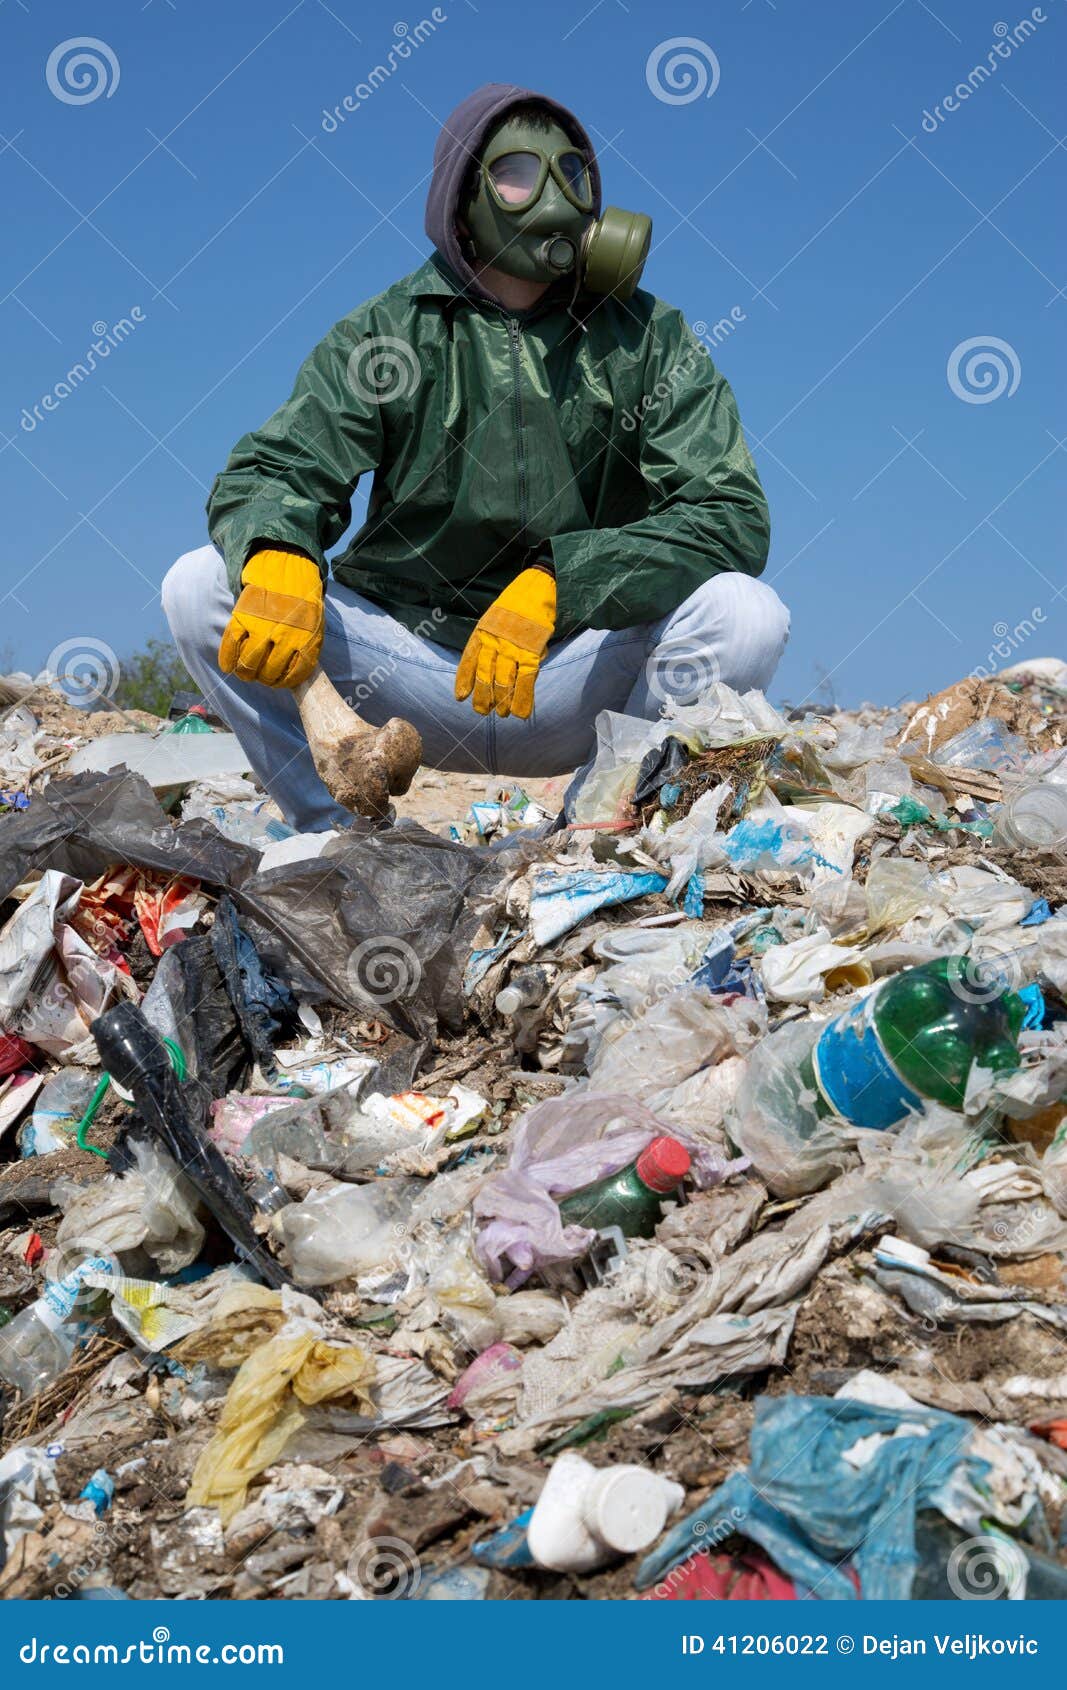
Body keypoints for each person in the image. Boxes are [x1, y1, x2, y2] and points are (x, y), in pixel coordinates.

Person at [163, 83, 789, 832]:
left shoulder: (647, 339)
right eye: (519, 172)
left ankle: (598, 828)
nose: (555, 197)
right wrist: (277, 547)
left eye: (573, 174)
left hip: (570, 677)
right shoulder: (387, 333)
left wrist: (562, 581)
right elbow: (281, 467)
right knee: (203, 585)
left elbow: (728, 516)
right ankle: (340, 837)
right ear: (461, 199)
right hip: (406, 672)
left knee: (745, 613)